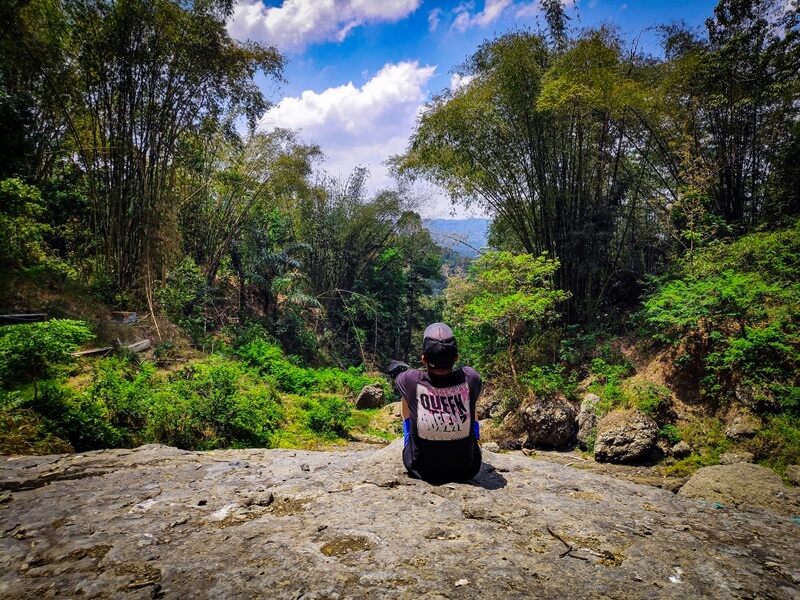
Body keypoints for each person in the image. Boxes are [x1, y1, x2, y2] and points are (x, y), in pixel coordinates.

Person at [394, 323, 482, 484]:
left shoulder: (410, 380)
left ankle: (408, 437)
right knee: (470, 396)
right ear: (456, 357)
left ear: (423, 359)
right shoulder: (471, 378)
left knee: (406, 396)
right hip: (467, 469)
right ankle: (476, 435)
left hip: (420, 468)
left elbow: (399, 379)